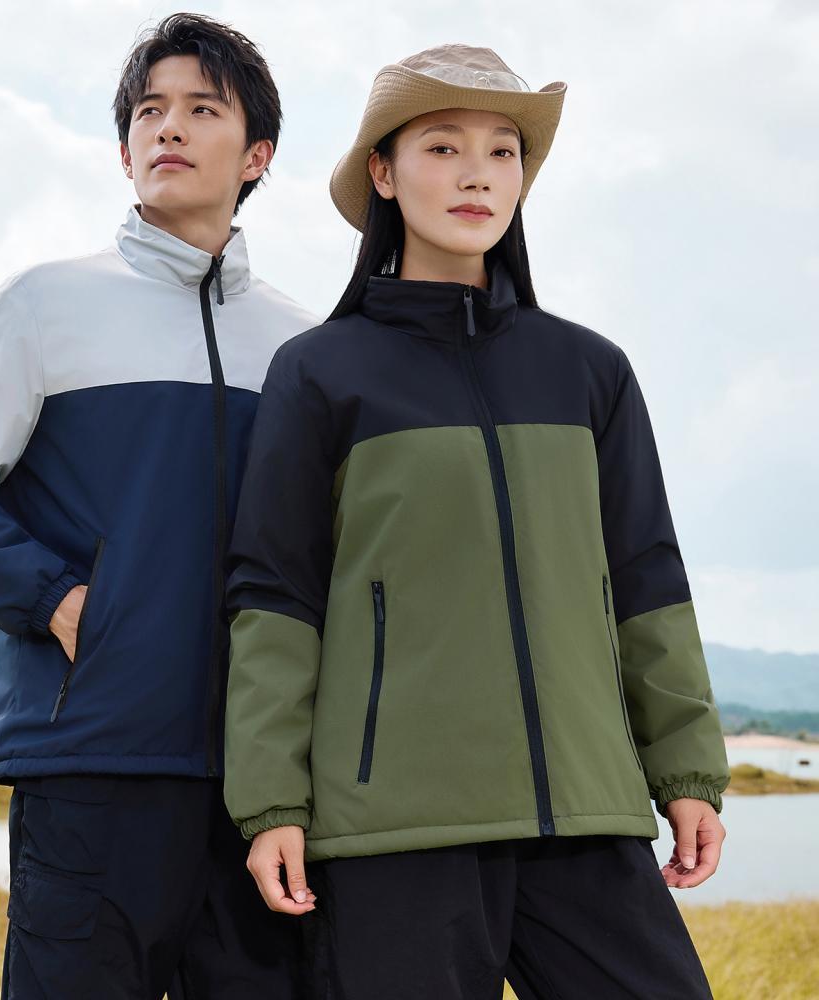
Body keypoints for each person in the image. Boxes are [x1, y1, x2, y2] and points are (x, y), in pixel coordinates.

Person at [223, 43, 730, 999]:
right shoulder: (321, 372)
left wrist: (687, 772)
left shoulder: (589, 371)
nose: (477, 175)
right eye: (444, 146)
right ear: (384, 172)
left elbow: (647, 579)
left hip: (584, 817)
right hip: (395, 829)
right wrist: (272, 800)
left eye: (503, 151)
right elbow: (276, 596)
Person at [0, 12, 320, 999]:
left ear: (257, 154)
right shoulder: (45, 303)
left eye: (201, 108)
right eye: (149, 111)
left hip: (260, 784)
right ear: (125, 150)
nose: (169, 126)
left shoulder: (303, 347)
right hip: (90, 765)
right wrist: (62, 602)